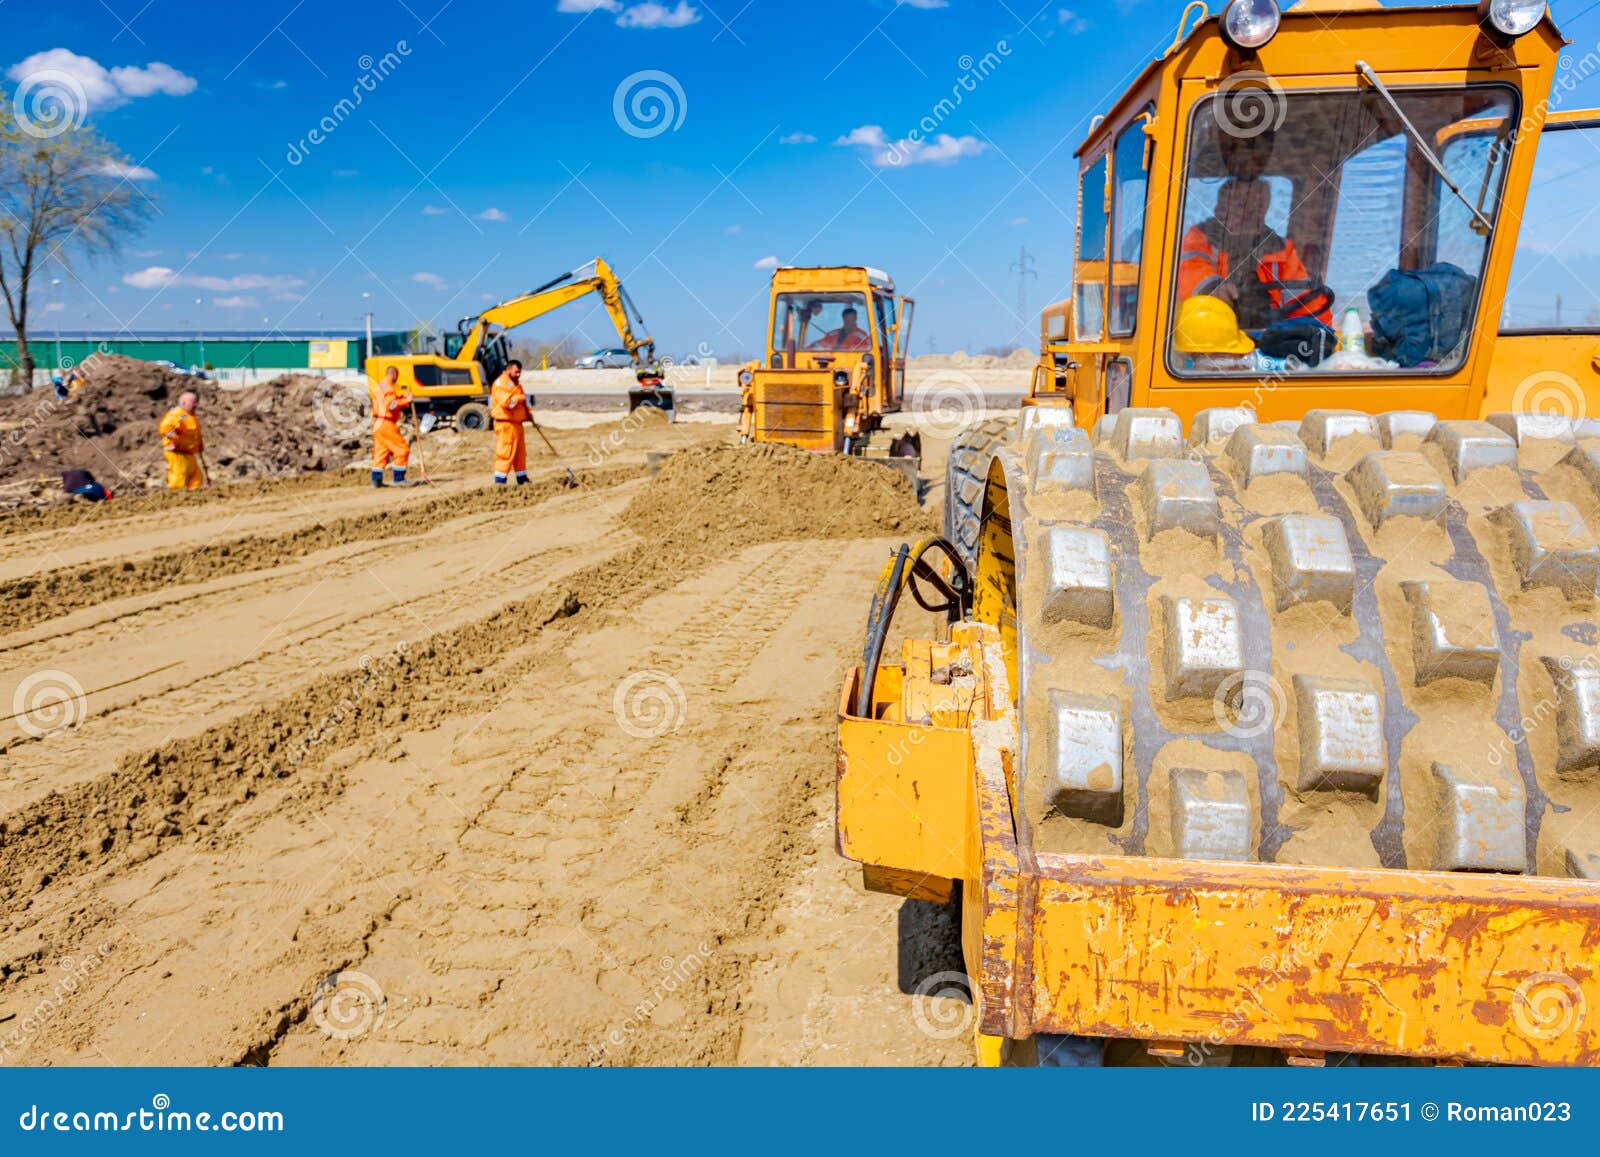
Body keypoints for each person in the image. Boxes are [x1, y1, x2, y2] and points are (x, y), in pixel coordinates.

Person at [1177, 177, 1332, 330]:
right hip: (1209, 338)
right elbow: (1189, 272)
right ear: (1221, 210)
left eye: (1258, 209)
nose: (1251, 215)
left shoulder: (1283, 250)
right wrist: (1212, 289)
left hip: (1267, 344)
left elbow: (1309, 308)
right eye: (1242, 206)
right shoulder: (1199, 238)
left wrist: (1316, 336)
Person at [489, 359, 531, 485]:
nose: (518, 374)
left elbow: (522, 404)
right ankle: (500, 481)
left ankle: (522, 478)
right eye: (516, 372)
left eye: (520, 372)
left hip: (517, 424)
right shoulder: (501, 383)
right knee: (506, 452)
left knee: (520, 453)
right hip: (506, 424)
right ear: (508, 369)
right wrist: (519, 398)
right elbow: (507, 403)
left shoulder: (515, 385)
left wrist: (528, 415)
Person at [369, 366, 412, 487]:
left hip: (378, 423)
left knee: (381, 451)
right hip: (387, 423)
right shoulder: (388, 387)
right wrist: (406, 401)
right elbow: (391, 405)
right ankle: (399, 478)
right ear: (393, 374)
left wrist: (401, 398)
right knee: (402, 449)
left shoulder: (380, 386)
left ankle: (376, 480)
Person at [159, 390, 204, 490]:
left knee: (196, 477)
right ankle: (177, 496)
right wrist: (174, 439)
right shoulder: (179, 414)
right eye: (193, 402)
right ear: (184, 402)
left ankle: (195, 497)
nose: (196, 404)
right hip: (177, 453)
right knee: (179, 475)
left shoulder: (189, 416)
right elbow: (166, 427)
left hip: (188, 453)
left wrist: (199, 445)